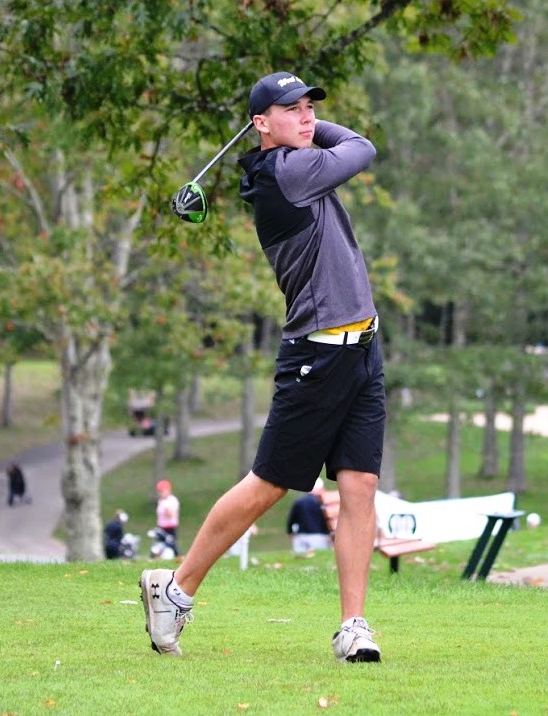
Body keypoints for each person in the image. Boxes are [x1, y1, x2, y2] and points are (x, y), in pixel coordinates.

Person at [140, 71, 385, 663]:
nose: (307, 116)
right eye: (291, 109)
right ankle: (175, 589)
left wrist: (293, 127)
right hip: (318, 356)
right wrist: (305, 134)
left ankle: (354, 626)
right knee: (269, 483)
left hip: (362, 347)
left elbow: (341, 143)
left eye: (310, 107)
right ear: (260, 123)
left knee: (359, 485)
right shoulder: (289, 172)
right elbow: (362, 147)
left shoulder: (291, 160)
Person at [287, 479, 332, 555]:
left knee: (301, 558)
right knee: (318, 558)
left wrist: (290, 532)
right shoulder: (324, 502)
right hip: (320, 537)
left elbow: (291, 519)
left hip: (301, 537)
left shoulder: (299, 501)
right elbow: (328, 520)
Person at [153, 479, 180, 556]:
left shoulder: (172, 500)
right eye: (159, 491)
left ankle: (179, 556)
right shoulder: (161, 501)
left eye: (162, 491)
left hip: (170, 527)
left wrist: (166, 507)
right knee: (159, 546)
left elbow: (171, 515)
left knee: (172, 545)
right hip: (161, 527)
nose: (161, 493)